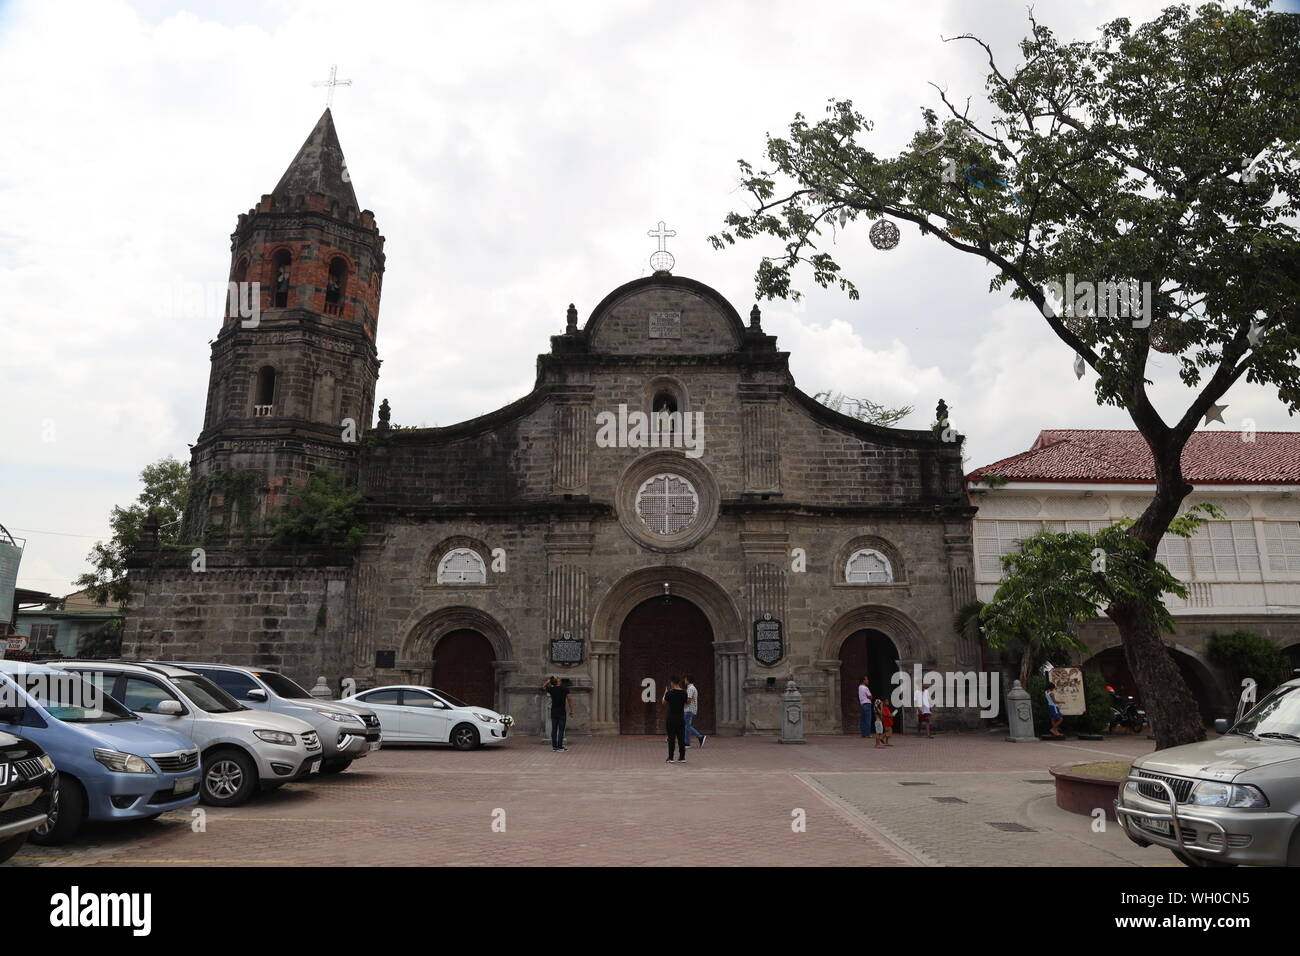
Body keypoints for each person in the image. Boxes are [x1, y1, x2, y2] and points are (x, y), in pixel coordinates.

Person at [543, 676, 574, 751]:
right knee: (561, 729)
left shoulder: (551, 689)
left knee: (554, 729)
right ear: (558, 681)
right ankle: (560, 746)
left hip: (554, 711)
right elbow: (569, 699)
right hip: (562, 712)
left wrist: (548, 681)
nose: (560, 679)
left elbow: (544, 687)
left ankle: (555, 747)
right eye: (558, 678)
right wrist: (571, 710)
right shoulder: (565, 689)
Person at [663, 676, 689, 763]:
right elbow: (686, 702)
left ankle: (671, 758)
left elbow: (664, 702)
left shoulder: (670, 693)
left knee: (671, 738)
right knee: (681, 738)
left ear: (673, 683)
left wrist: (665, 693)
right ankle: (682, 757)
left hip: (671, 718)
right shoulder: (684, 693)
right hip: (681, 718)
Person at [683, 675, 707, 749]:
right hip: (690, 709)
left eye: (685, 680)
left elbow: (689, 700)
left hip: (688, 709)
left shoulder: (690, 688)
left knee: (687, 726)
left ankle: (700, 737)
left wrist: (681, 701)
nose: (684, 681)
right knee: (686, 726)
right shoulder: (692, 688)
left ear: (687, 680)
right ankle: (687, 743)